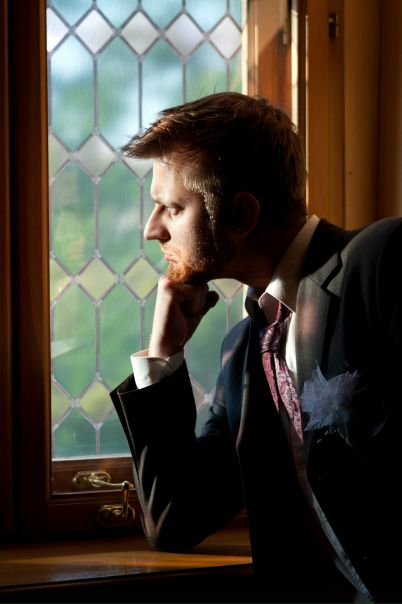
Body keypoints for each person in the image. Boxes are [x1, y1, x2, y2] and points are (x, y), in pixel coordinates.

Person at [110, 92, 402, 602]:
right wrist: (163, 356)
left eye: (172, 208)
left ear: (242, 214)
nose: (152, 229)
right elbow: (175, 519)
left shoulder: (383, 262)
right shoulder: (244, 351)